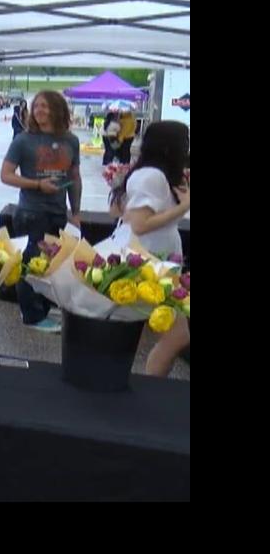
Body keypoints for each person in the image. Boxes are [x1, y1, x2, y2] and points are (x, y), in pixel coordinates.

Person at [107, 121, 190, 376]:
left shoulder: (152, 174)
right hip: (146, 262)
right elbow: (141, 225)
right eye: (185, 141)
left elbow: (120, 211)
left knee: (165, 333)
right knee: (176, 335)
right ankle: (147, 389)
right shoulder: (152, 176)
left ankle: (141, 387)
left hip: (155, 261)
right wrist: (183, 207)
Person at [0, 90, 82, 333]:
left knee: (50, 265)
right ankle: (32, 315)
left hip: (58, 213)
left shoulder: (71, 141)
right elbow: (6, 175)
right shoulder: (23, 141)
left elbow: (75, 177)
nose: (39, 110)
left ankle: (43, 308)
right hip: (30, 213)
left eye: (45, 106)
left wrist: (75, 211)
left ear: (58, 109)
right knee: (29, 265)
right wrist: (37, 184)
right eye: (36, 106)